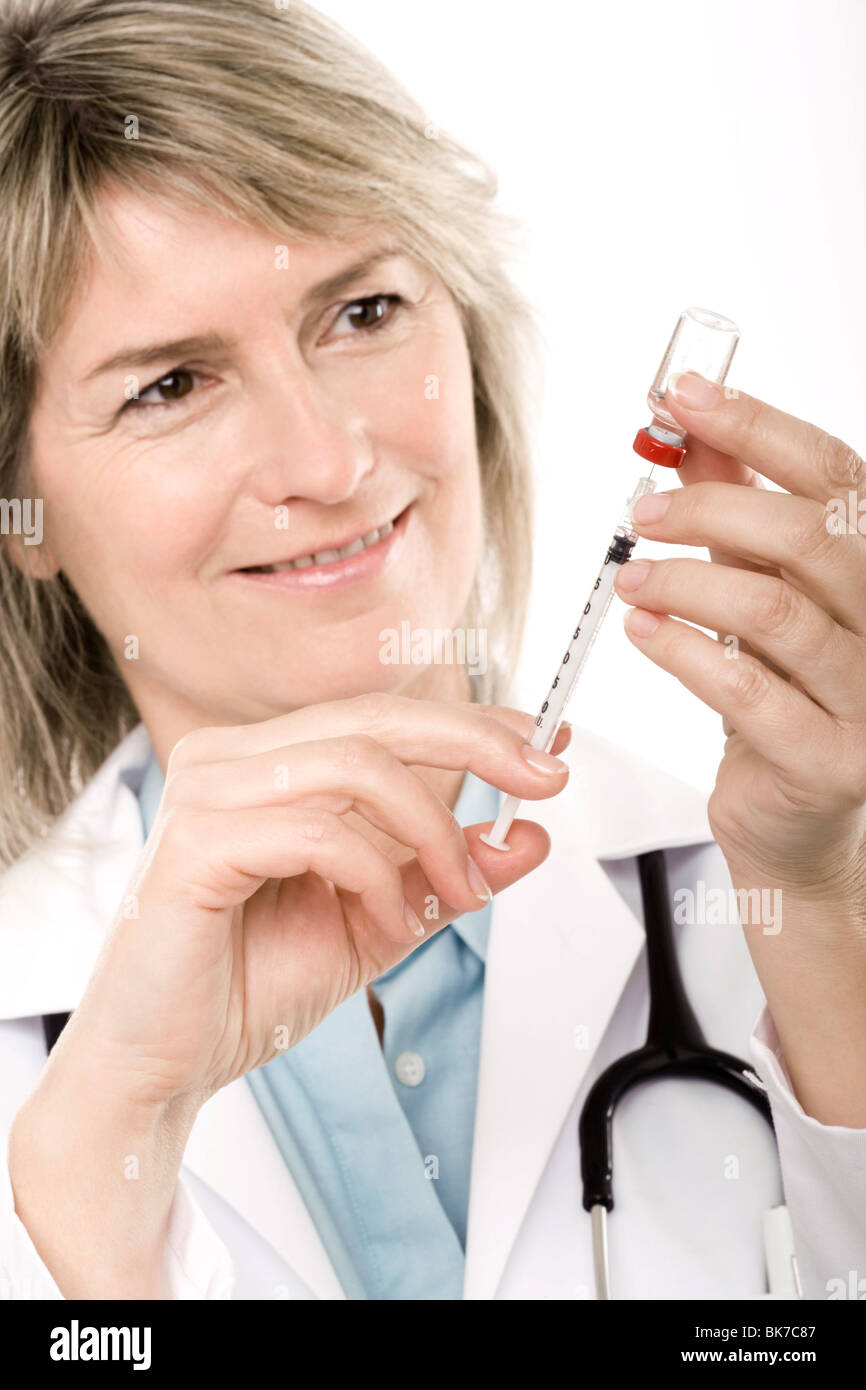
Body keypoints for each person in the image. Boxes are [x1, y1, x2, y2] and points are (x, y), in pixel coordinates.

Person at [1, 0, 864, 1302]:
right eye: (169, 385)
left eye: (360, 311)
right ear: (27, 512)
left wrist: (821, 908)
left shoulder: (777, 899)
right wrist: (96, 1155)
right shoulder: (43, 1063)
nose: (328, 460)